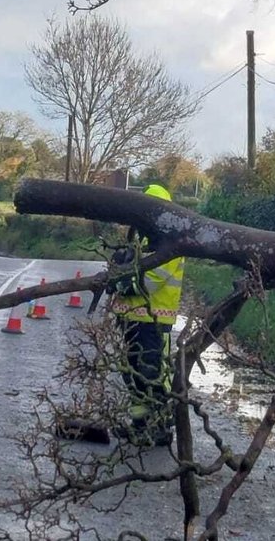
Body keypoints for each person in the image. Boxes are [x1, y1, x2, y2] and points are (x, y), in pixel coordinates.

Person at [108, 183, 186, 448]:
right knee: (132, 372)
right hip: (133, 317)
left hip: (154, 321)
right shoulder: (142, 239)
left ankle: (160, 427)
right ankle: (140, 425)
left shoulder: (170, 242)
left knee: (152, 374)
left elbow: (152, 281)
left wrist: (121, 281)